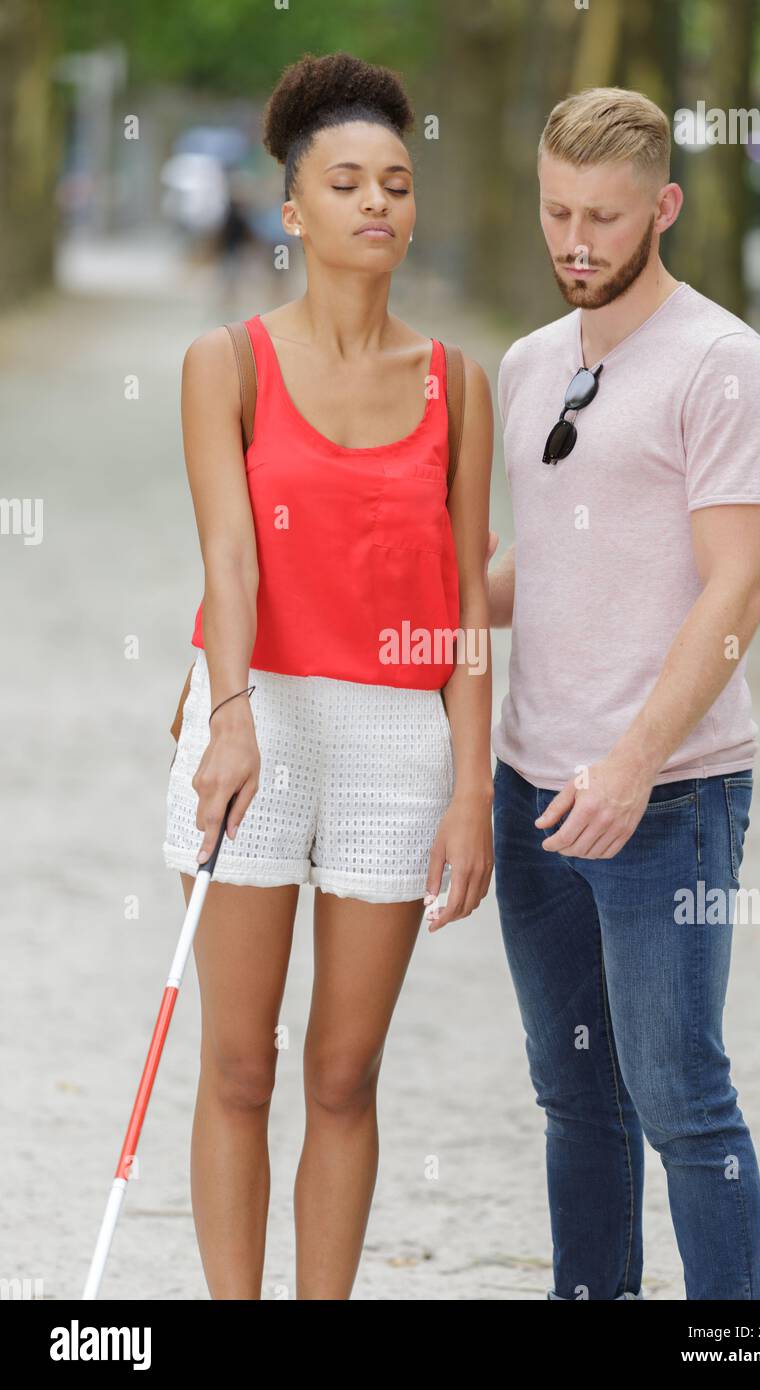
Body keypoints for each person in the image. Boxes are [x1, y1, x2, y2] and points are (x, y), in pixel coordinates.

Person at [162, 51, 494, 1300]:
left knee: (344, 1075)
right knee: (240, 1064)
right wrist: (228, 714)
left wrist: (472, 788)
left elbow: (467, 604)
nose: (376, 203)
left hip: (397, 743)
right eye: (346, 182)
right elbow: (229, 558)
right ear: (292, 209)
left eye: (395, 183)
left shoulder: (455, 382)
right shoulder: (227, 362)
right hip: (253, 718)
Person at [486, 87, 760, 1300]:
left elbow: (737, 588)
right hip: (531, 791)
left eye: (603, 218)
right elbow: (545, 566)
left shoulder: (724, 368)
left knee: (681, 1102)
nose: (575, 242)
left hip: (665, 799)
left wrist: (628, 764)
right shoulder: (529, 362)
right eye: (556, 212)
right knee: (573, 1095)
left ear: (662, 207)